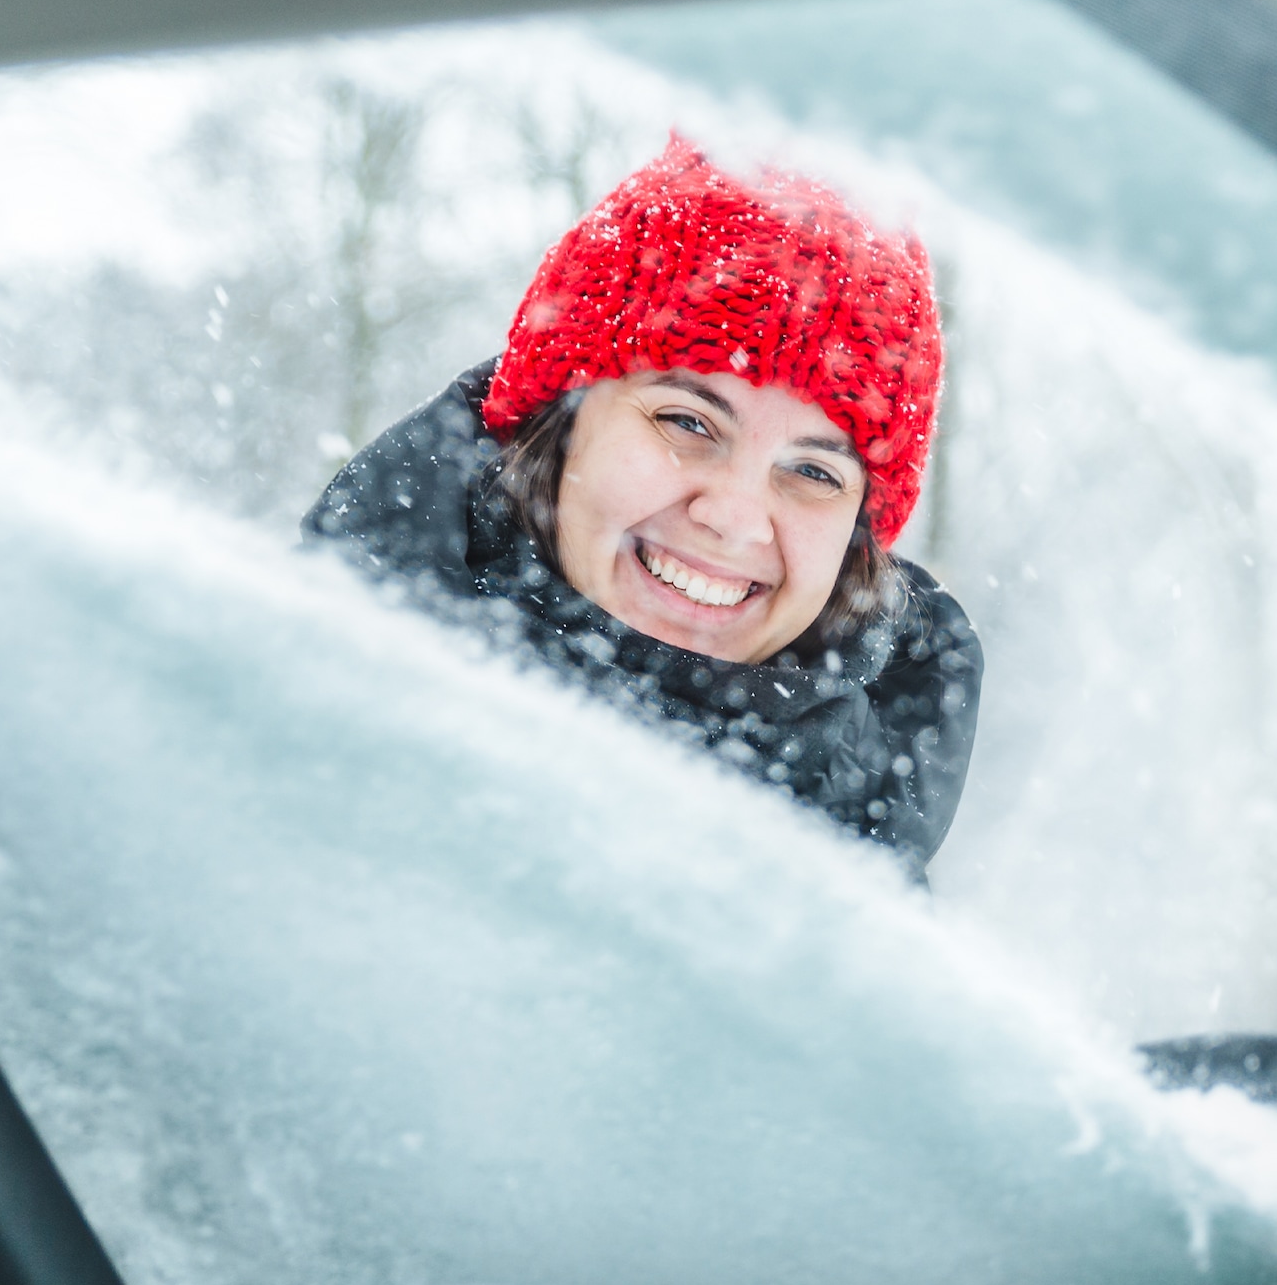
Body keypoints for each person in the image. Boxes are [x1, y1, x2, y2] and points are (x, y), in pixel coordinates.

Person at [303, 137, 981, 874]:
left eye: (814, 473)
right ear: (560, 426)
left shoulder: (866, 923)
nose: (734, 517)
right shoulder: (296, 711)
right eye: (688, 423)